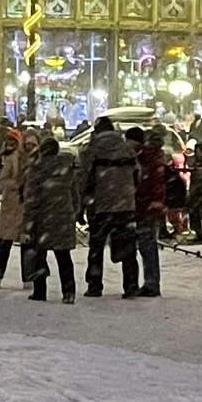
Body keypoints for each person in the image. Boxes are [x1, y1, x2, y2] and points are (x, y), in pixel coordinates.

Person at [78, 116, 138, 296]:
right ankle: (131, 285)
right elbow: (137, 175)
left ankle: (95, 285)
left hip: (100, 204)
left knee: (96, 247)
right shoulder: (127, 148)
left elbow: (84, 178)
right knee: (128, 247)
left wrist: (82, 203)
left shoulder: (91, 149)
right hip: (125, 205)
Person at [20, 134, 82, 302]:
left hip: (43, 218)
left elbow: (31, 199)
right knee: (64, 257)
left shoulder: (37, 169)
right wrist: (73, 212)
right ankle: (69, 292)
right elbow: (75, 195)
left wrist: (27, 222)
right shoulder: (67, 170)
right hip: (63, 216)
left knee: (39, 255)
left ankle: (40, 291)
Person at [126, 128, 169, 298]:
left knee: (145, 245)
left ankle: (150, 283)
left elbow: (148, 183)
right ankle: (151, 282)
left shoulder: (143, 158)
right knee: (147, 245)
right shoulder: (152, 158)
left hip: (143, 206)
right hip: (148, 206)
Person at [0, 124, 29, 288]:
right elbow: (2, 181)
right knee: (4, 242)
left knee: (27, 243)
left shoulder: (34, 161)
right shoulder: (12, 159)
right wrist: (16, 185)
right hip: (12, 204)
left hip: (27, 206)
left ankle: (29, 277)